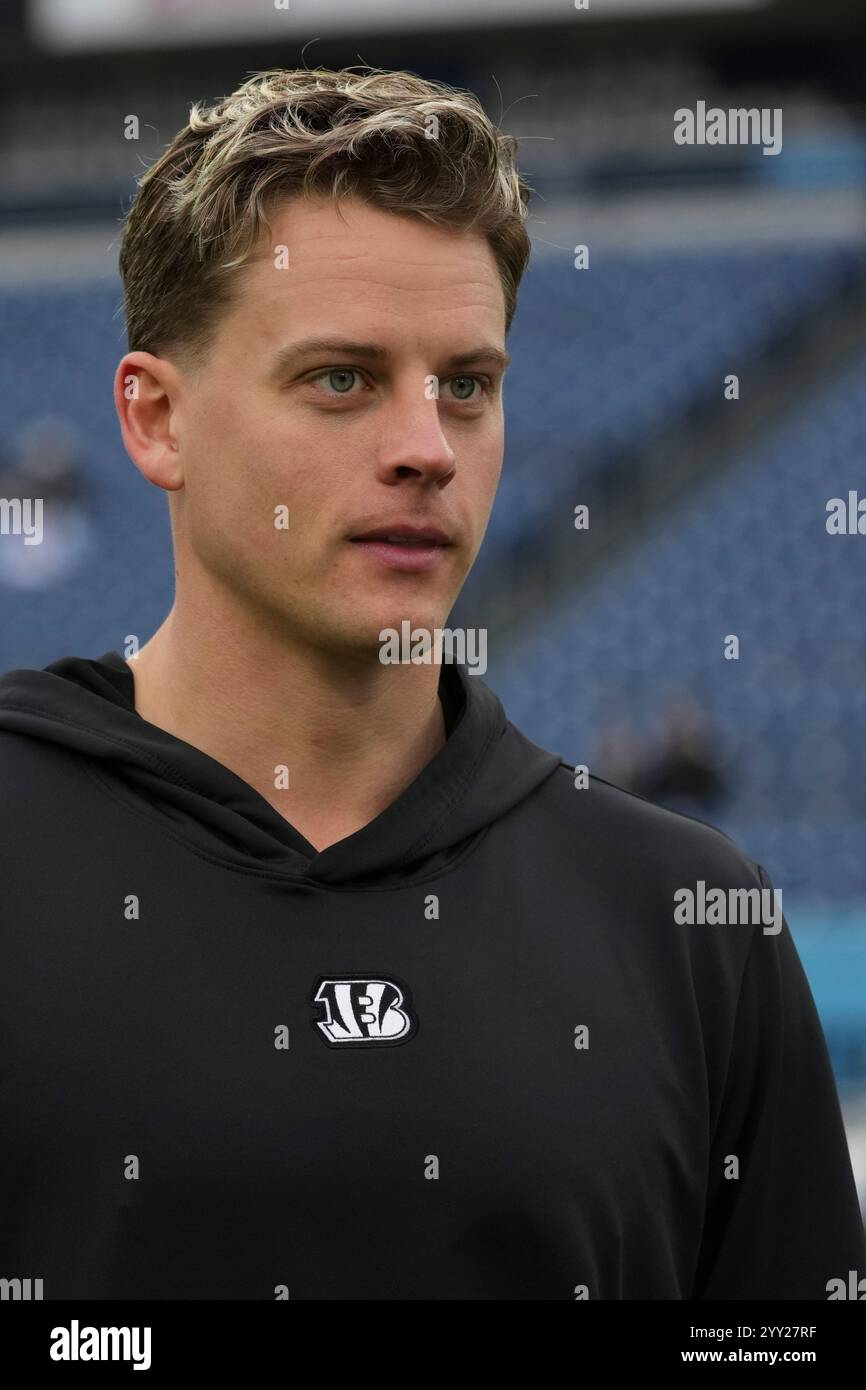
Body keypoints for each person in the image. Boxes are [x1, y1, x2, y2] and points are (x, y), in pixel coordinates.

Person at [0, 66, 862, 1301]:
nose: (425, 447)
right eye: (341, 378)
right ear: (155, 419)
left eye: (467, 384)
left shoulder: (689, 923)